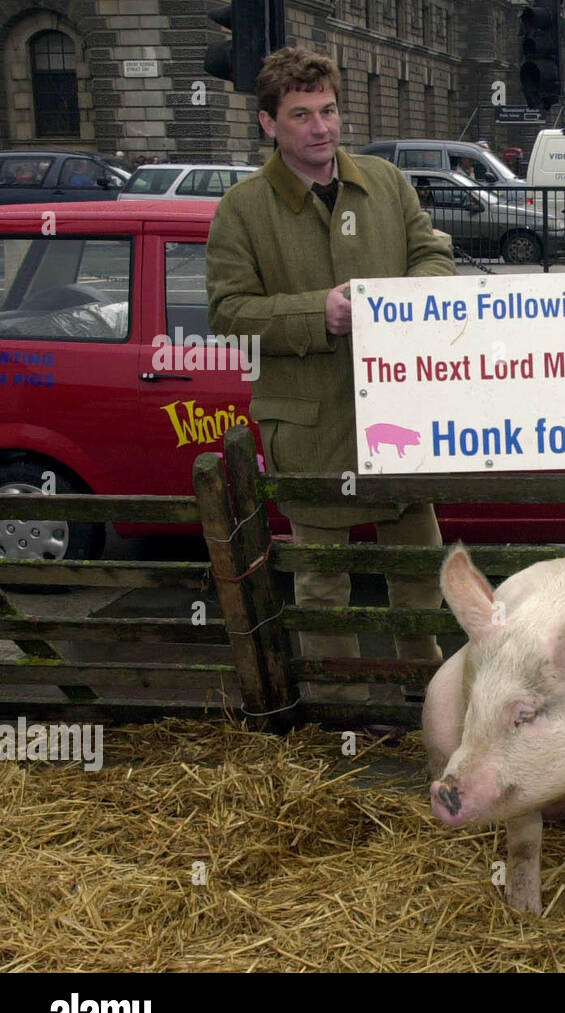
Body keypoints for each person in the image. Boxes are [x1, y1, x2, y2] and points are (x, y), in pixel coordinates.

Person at [207, 47, 456, 705]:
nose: (321, 127)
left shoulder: (386, 183)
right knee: (323, 583)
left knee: (418, 571)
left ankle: (424, 694)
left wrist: (407, 298)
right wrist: (319, 312)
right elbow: (229, 313)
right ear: (268, 123)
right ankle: (341, 710)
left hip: (398, 422)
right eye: (301, 115)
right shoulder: (243, 209)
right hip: (311, 426)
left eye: (329, 110)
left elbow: (434, 254)